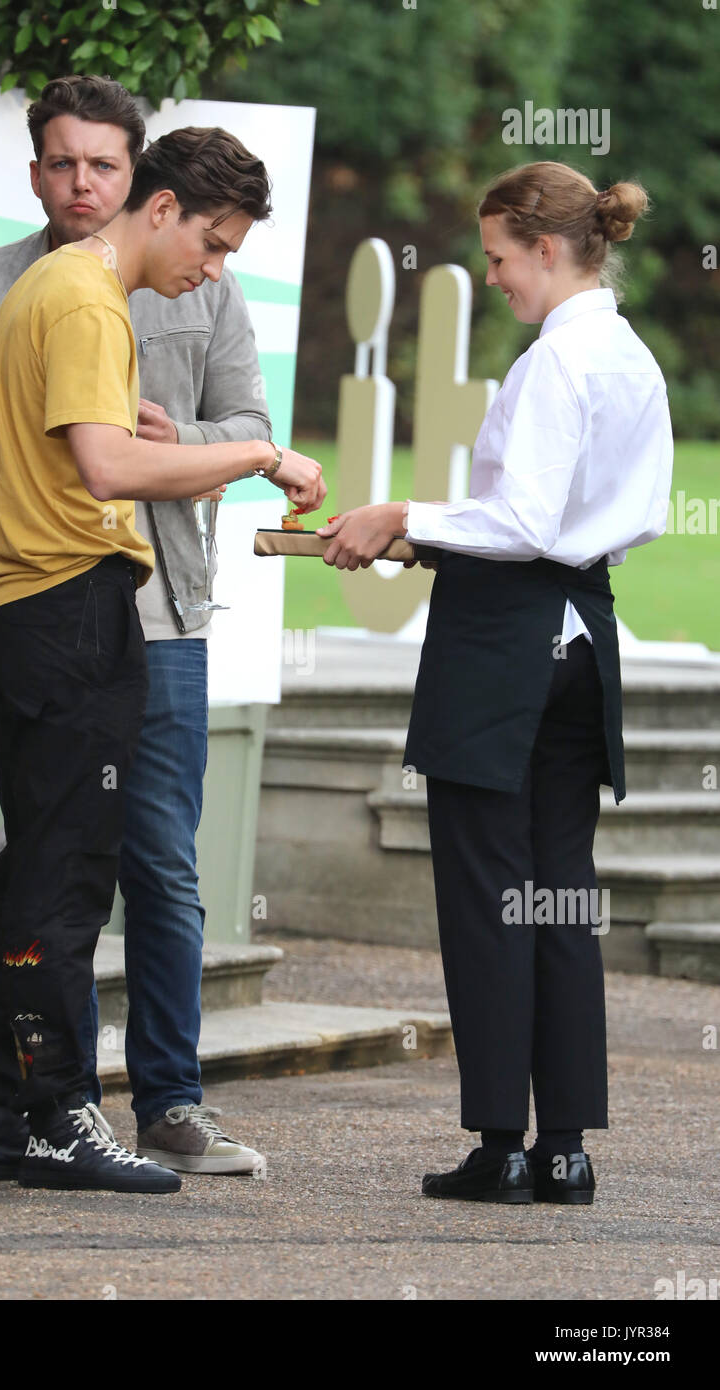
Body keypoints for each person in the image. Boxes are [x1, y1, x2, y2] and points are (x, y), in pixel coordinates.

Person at [0, 108, 324, 1191]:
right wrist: (261, 454)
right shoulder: (90, 302)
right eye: (215, 241)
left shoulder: (44, 291)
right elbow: (108, 466)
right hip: (66, 608)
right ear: (164, 209)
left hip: (25, 608)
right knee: (68, 880)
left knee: (38, 875)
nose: (214, 267)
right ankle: (58, 1114)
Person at [318, 161, 672, 1204]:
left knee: (487, 899)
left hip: (503, 647)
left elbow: (519, 525)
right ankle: (563, 1148)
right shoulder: (634, 359)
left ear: (548, 248)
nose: (495, 277)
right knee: (559, 894)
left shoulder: (555, 363)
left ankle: (498, 1148)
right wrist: (429, 536)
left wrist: (404, 518)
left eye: (500, 258)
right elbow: (611, 521)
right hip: (582, 642)